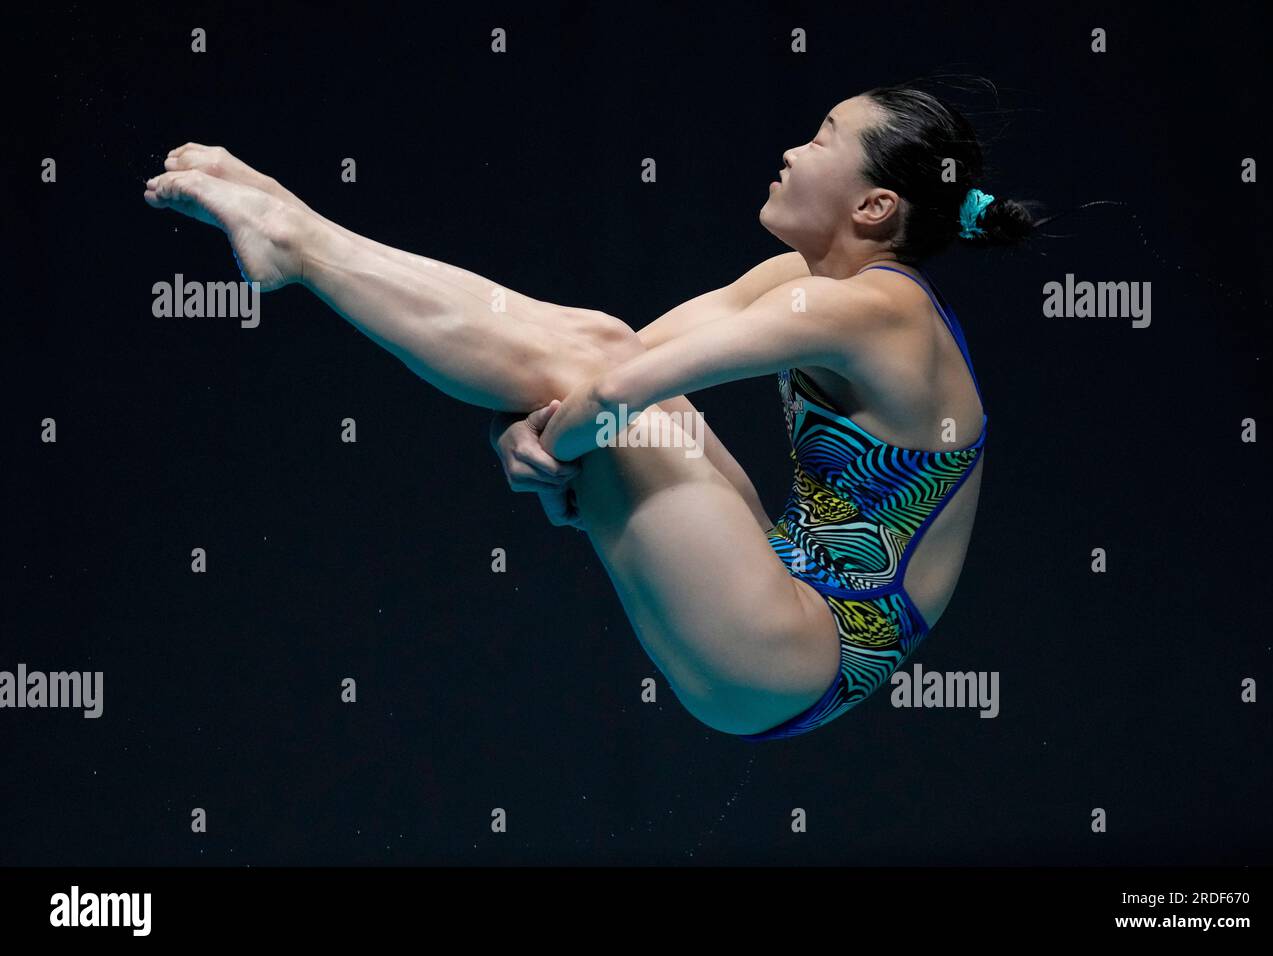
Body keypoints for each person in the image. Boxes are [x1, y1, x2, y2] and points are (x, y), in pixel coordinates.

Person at [143, 82, 1042, 740]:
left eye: (821, 137)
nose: (792, 151)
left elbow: (612, 395)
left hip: (800, 653)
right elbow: (607, 363)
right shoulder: (798, 283)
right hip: (779, 606)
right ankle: (295, 227)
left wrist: (544, 444)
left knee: (595, 366)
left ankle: (298, 241)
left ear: (874, 204)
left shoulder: (881, 310)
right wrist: (530, 436)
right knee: (598, 339)